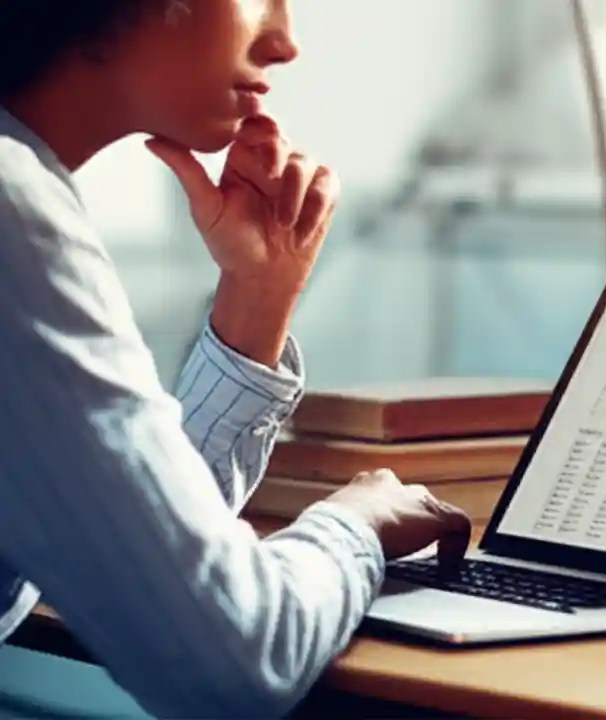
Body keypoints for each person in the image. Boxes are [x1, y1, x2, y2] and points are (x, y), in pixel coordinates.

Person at [0, 1, 473, 716]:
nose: (285, 43)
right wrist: (357, 521)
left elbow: (146, 559)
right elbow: (232, 657)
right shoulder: (12, 212)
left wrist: (258, 293)